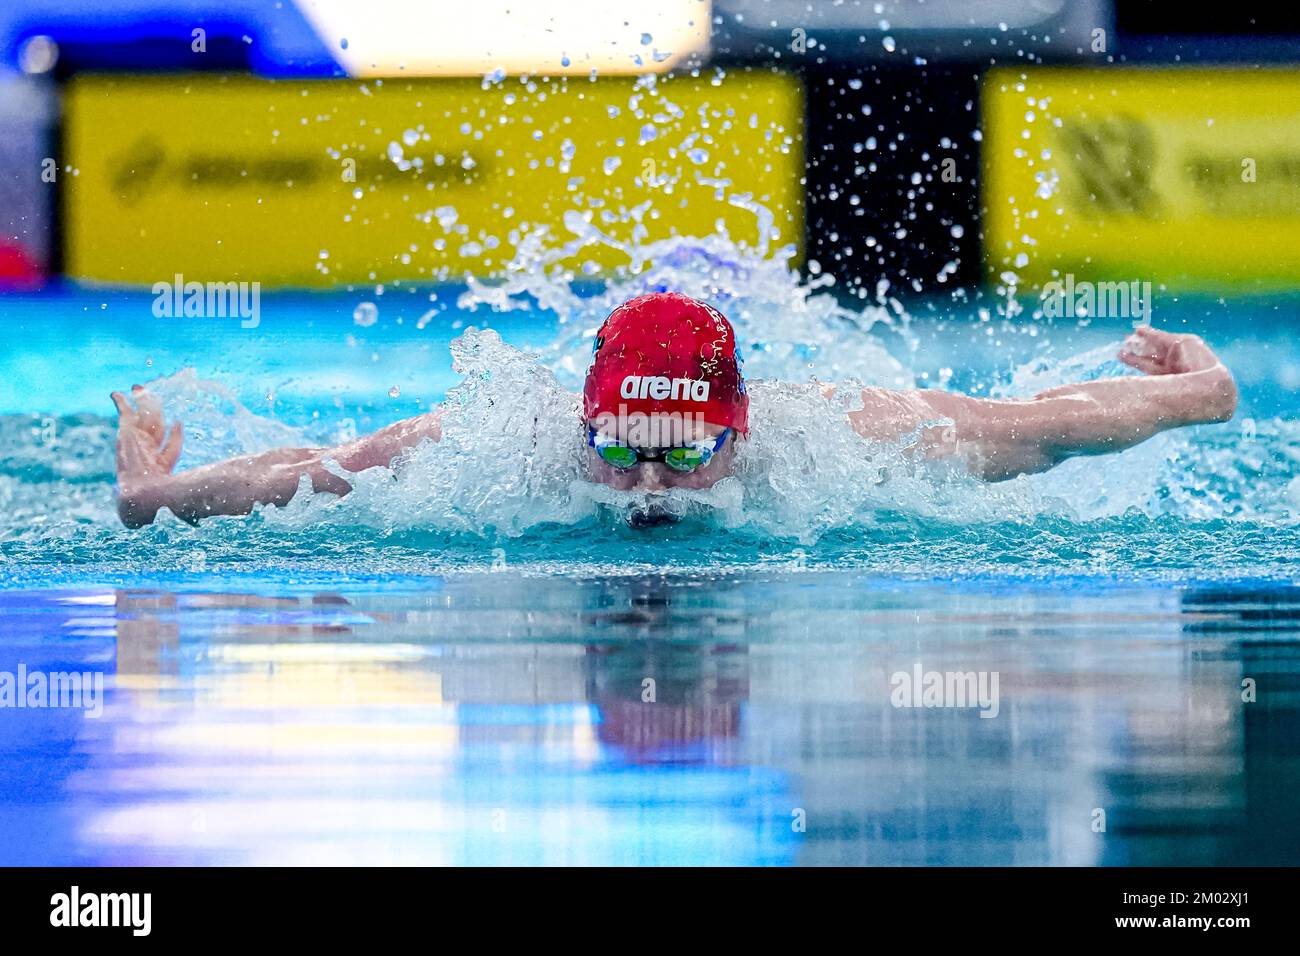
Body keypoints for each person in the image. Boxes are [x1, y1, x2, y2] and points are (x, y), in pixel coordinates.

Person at [112, 291, 1238, 529]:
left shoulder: (852, 440)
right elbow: (303, 470)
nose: (647, 488)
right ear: (580, 423)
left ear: (740, 428)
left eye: (685, 454)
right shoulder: (498, 446)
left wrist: (1199, 379)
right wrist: (150, 495)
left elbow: (1059, 418)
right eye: (620, 450)